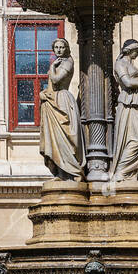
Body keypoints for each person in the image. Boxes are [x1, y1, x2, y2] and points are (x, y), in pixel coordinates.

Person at [109, 39, 138, 182]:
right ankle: (121, 172)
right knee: (136, 140)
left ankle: (131, 173)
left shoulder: (129, 64)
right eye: (137, 50)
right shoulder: (120, 63)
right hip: (130, 103)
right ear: (129, 50)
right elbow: (127, 83)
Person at [38, 38, 83, 180]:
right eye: (56, 47)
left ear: (67, 48)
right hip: (53, 101)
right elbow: (52, 85)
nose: (58, 50)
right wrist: (43, 93)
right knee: (55, 138)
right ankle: (61, 172)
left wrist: (52, 67)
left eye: (61, 47)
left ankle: (72, 171)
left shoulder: (68, 62)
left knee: (66, 136)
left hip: (63, 101)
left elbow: (57, 80)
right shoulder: (58, 62)